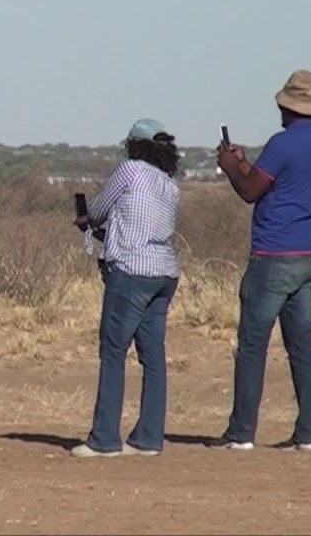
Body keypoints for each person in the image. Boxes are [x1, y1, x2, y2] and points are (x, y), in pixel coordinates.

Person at [214, 69, 311, 452]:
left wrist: (231, 167)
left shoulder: (281, 144)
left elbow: (251, 191)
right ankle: (309, 433)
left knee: (252, 343)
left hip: (273, 254)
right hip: (308, 252)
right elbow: (272, 182)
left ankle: (241, 432)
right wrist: (245, 165)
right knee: (301, 343)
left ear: (287, 106)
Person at [70, 118, 182, 458]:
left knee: (113, 351)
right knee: (153, 356)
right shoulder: (170, 186)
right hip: (164, 272)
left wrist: (85, 222)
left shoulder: (130, 170)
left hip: (131, 271)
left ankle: (104, 438)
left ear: (134, 146)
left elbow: (100, 211)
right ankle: (148, 437)